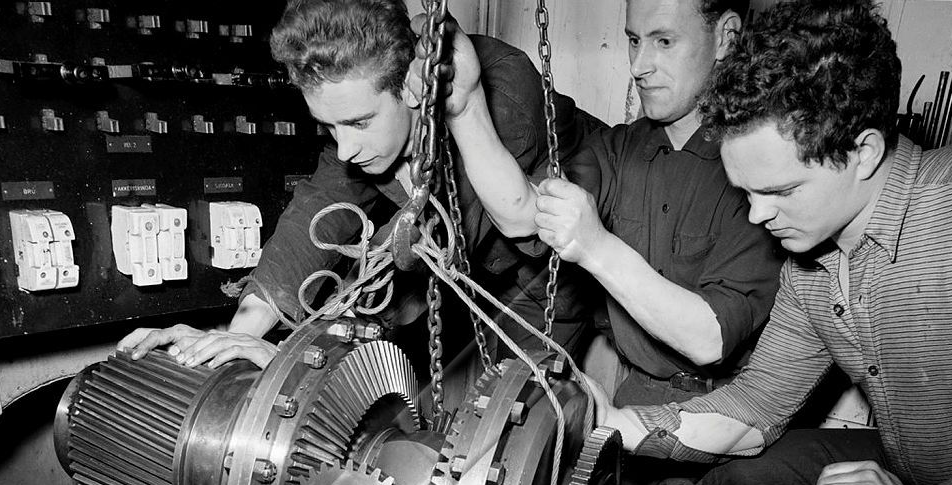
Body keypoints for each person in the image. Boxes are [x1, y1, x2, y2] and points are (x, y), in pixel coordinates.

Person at [594, 0, 952, 485]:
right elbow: (757, 406)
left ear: (863, 152)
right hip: (910, 462)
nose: (757, 215)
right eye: (746, 192)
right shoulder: (811, 262)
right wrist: (621, 426)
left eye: (781, 191)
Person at [119, 0, 599, 373]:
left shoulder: (502, 96)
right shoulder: (356, 130)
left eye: (358, 122)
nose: (345, 148)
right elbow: (320, 206)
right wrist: (240, 333)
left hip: (556, 275)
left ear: (413, 93)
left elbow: (436, 242)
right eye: (330, 128)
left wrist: (300, 352)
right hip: (485, 276)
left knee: (497, 442)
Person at [435, 0, 781, 408]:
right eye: (634, 41)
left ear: (726, 37)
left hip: (728, 407)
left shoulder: (761, 164)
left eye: (664, 41)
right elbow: (522, 214)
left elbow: (709, 339)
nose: (638, 66)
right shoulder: (623, 148)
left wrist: (596, 245)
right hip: (632, 396)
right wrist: (467, 104)